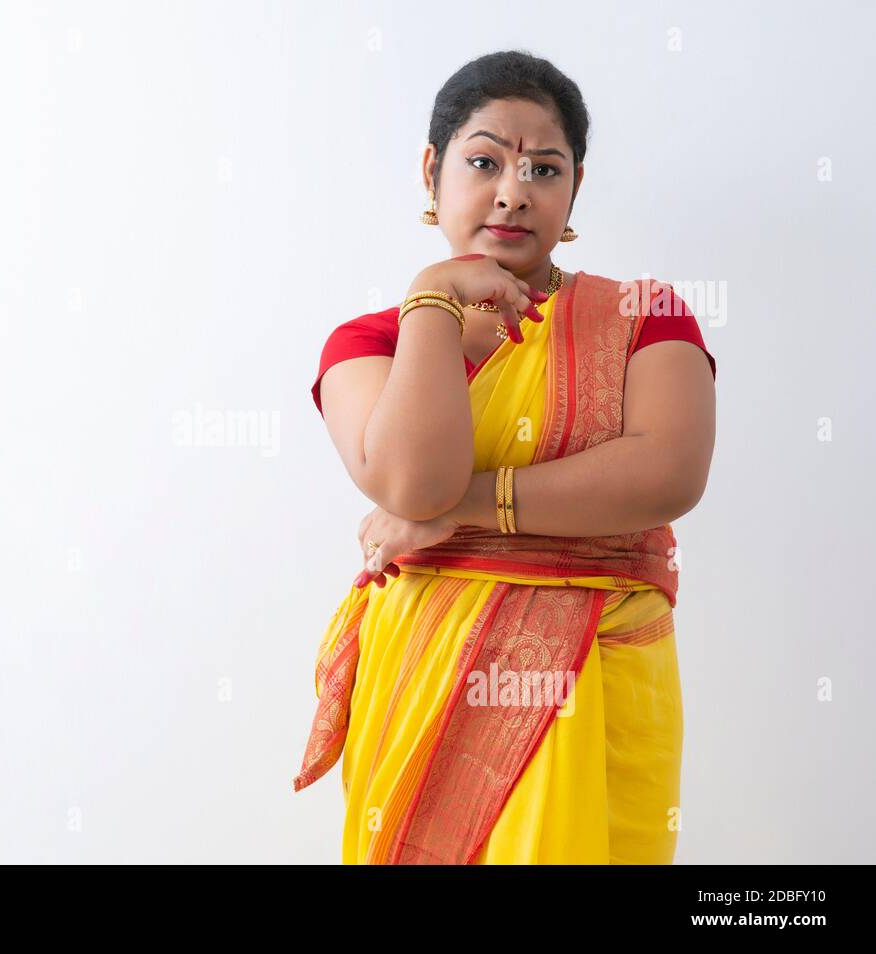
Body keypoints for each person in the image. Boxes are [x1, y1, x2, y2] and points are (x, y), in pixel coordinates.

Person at [292, 51, 716, 865]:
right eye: (484, 161)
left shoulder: (642, 315)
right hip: (427, 683)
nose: (514, 190)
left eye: (543, 169)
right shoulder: (371, 341)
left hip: (599, 677)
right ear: (433, 170)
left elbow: (667, 473)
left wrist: (459, 512)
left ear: (575, 189)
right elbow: (415, 482)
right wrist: (433, 302)